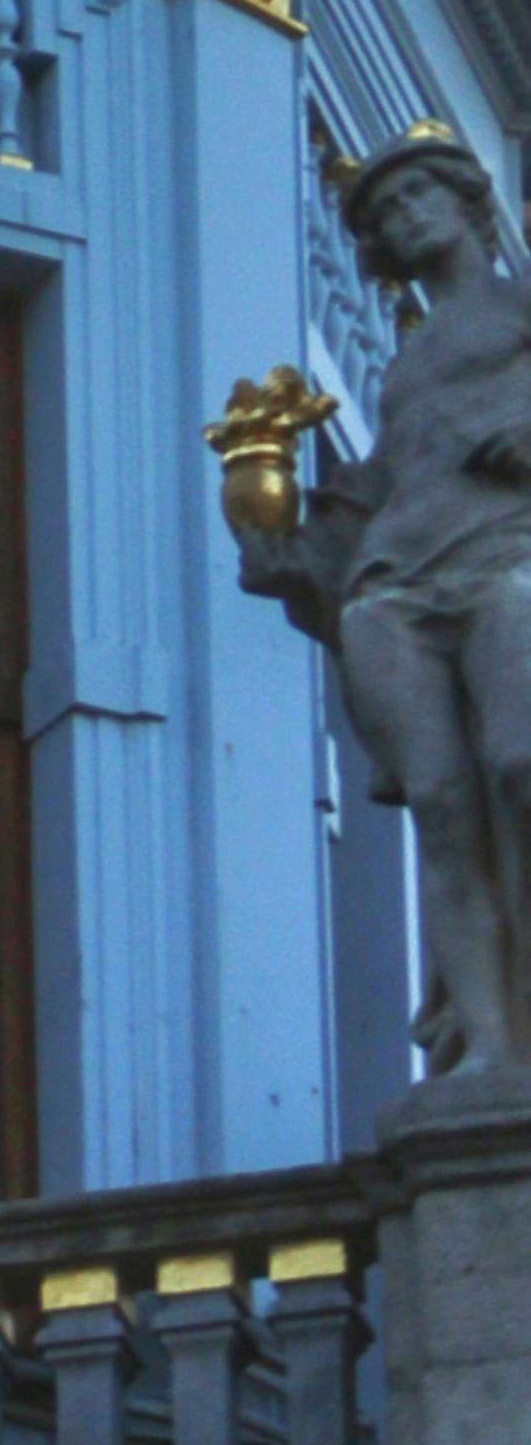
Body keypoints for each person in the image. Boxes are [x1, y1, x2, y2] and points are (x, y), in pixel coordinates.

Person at [223, 122, 531, 1085]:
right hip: (395, 582)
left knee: (520, 765)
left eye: (416, 196)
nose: (404, 216)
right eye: (386, 212)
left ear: (468, 202)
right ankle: (484, 1043)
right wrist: (282, 536)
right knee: (441, 807)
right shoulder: (403, 366)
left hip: (501, 561)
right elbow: (378, 486)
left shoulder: (520, 310)